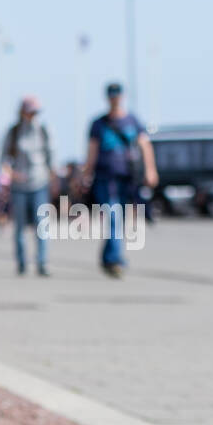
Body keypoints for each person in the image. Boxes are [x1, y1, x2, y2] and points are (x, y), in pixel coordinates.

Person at [81, 82, 158, 278]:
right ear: (107, 97)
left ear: (122, 96)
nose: (115, 98)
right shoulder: (99, 123)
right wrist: (86, 174)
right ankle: (115, 259)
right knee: (114, 216)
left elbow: (145, 146)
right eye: (112, 95)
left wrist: (150, 170)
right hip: (105, 178)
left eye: (117, 95)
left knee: (119, 219)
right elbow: (92, 151)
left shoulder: (132, 121)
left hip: (127, 179)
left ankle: (109, 256)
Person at [0, 95, 55, 276]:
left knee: (41, 225)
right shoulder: (14, 132)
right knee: (20, 226)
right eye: (29, 112)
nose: (32, 116)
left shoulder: (43, 130)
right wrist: (12, 174)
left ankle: (42, 262)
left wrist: (52, 178)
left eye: (35, 112)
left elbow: (51, 156)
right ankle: (22, 262)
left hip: (39, 182)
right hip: (19, 185)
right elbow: (4, 159)